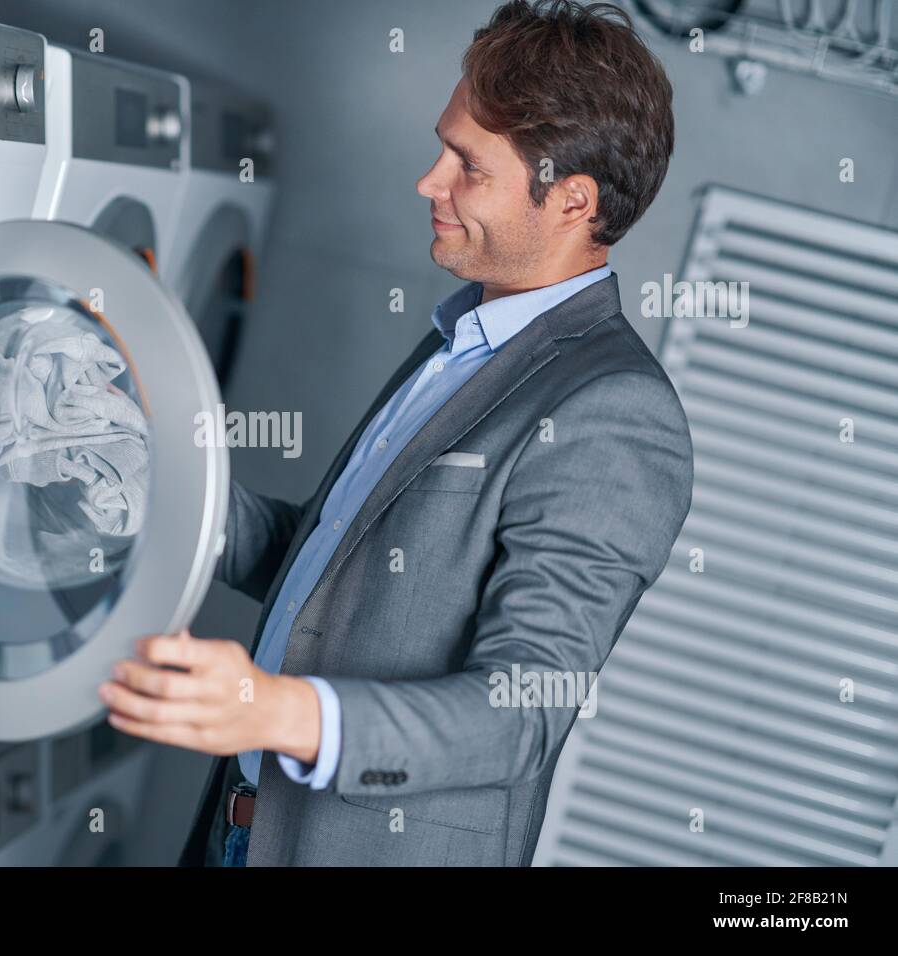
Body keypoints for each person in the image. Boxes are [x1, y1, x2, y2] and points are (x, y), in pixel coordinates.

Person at [97, 0, 693, 866]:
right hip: (244, 827)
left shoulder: (614, 413)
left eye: (468, 166)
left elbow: (519, 710)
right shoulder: (468, 339)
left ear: (571, 201)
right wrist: (148, 485)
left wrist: (277, 711)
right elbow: (335, 573)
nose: (429, 181)